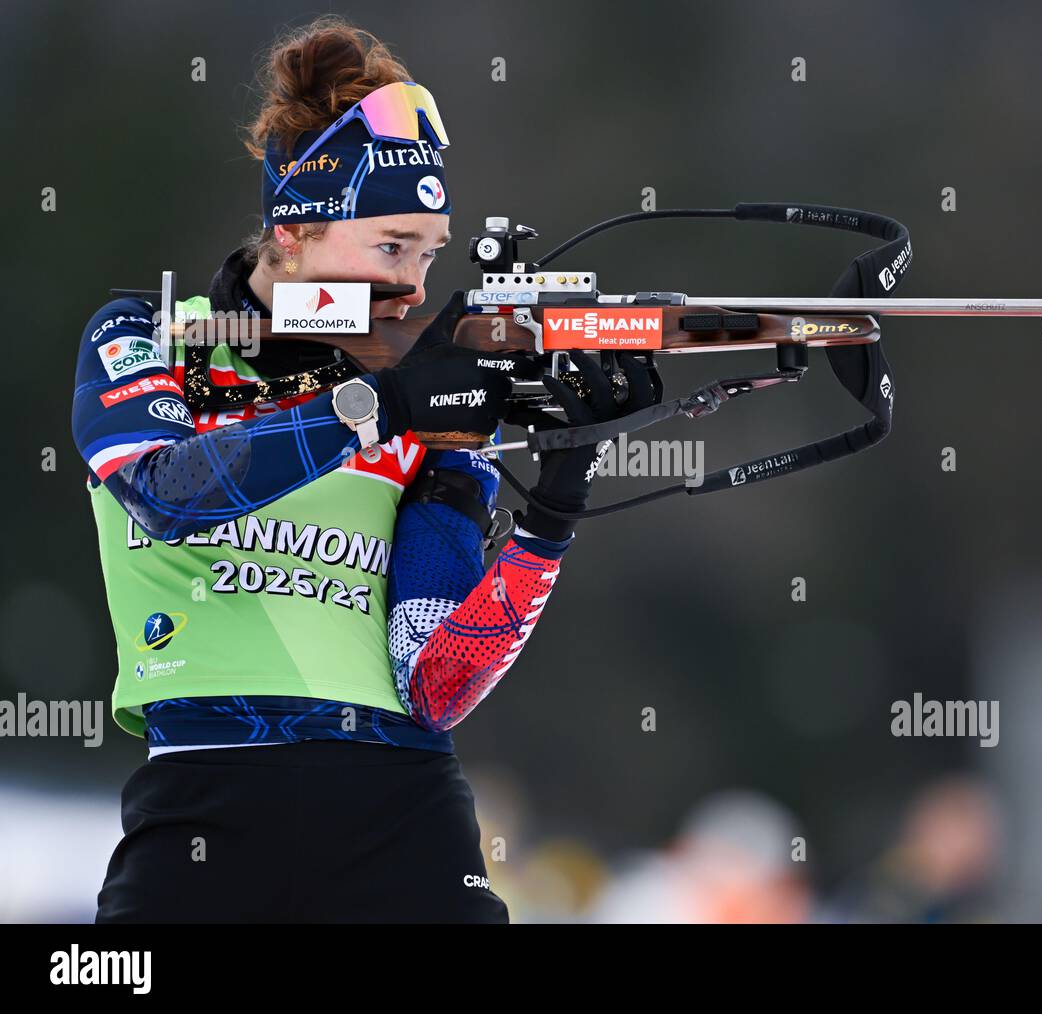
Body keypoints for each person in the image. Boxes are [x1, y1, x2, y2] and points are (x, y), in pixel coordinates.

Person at [71, 16, 658, 923]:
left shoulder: (422, 395)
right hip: (205, 804)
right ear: (294, 227)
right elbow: (166, 491)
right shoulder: (151, 337)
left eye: (429, 253)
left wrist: (555, 507)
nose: (415, 286)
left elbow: (435, 682)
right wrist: (378, 406)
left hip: (403, 810)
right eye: (391, 246)